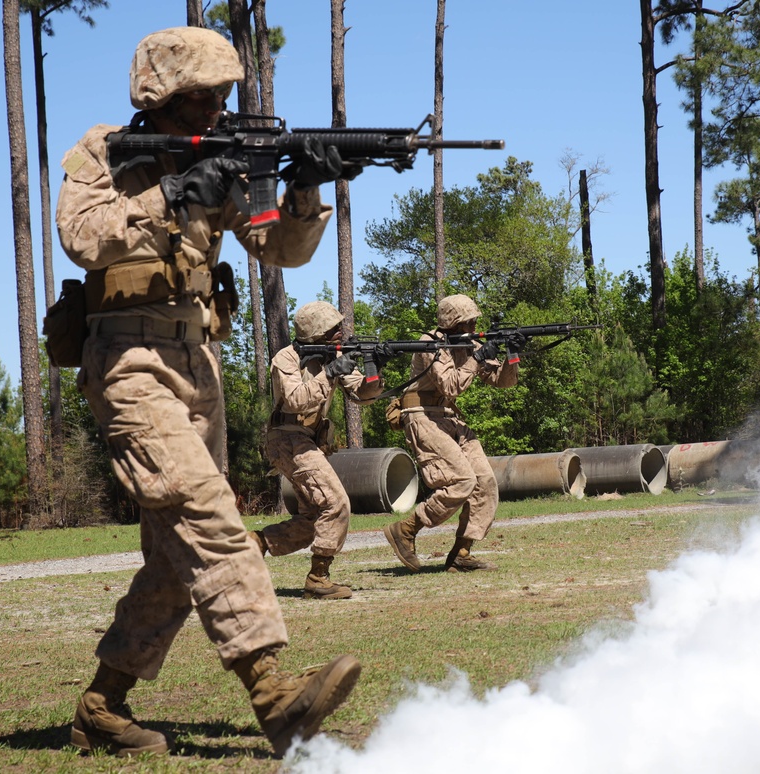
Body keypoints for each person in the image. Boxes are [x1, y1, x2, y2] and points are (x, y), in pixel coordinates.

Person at [55, 27, 360, 758]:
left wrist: (304, 186)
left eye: (223, 95)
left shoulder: (225, 159)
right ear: (158, 93)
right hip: (128, 361)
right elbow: (80, 236)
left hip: (199, 366)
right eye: (199, 96)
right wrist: (169, 194)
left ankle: (101, 707)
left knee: (174, 555)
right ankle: (275, 694)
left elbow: (276, 250)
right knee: (210, 514)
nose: (213, 108)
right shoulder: (103, 151)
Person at [249, 301, 391, 599]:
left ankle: (252, 545)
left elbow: (361, 395)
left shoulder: (334, 355)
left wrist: (374, 368)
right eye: (334, 329)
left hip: (307, 441)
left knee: (312, 521)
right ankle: (318, 578)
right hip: (288, 439)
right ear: (317, 333)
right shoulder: (286, 358)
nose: (342, 332)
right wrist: (329, 372)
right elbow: (295, 401)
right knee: (335, 502)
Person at [383, 294, 522, 572]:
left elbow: (502, 381)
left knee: (484, 482)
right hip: (421, 416)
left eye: (474, 321)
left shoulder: (469, 343)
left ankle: (461, 552)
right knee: (461, 480)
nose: (473, 326)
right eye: (468, 321)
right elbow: (450, 385)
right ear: (453, 323)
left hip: (448, 417)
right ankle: (407, 530)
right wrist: (478, 357)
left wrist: (512, 354)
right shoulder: (430, 344)